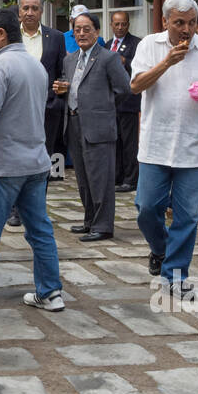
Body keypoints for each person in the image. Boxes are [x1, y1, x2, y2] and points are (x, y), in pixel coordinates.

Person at [0, 8, 64, 325]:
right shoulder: (35, 66)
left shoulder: (0, 65)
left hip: (3, 163)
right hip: (35, 161)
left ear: (1, 34)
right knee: (40, 231)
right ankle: (50, 293)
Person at [131, 0, 198, 287]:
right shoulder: (150, 45)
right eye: (179, 23)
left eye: (191, 23)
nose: (186, 29)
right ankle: (161, 249)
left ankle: (175, 276)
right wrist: (166, 63)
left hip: (193, 144)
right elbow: (136, 85)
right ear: (165, 22)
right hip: (156, 143)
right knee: (146, 208)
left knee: (187, 217)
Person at [54, 12, 128, 242]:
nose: (82, 33)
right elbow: (72, 86)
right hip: (74, 122)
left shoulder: (108, 58)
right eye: (77, 29)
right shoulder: (70, 58)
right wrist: (62, 90)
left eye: (87, 29)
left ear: (96, 31)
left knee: (101, 178)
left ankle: (104, 226)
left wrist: (103, 108)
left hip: (99, 125)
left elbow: (124, 89)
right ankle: (90, 221)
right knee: (84, 177)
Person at [17, 0, 67, 181]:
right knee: (18, 159)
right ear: (20, 11)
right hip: (16, 108)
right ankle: (15, 209)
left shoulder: (55, 37)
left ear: (41, 12)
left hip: (47, 108)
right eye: (26, 8)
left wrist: (58, 100)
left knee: (44, 159)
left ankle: (37, 202)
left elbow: (62, 70)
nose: (30, 12)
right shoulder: (10, 35)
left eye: (34, 8)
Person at [106, 9, 141, 192]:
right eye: (116, 24)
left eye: (123, 24)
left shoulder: (136, 43)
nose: (120, 27)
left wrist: (124, 61)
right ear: (111, 24)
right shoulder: (107, 44)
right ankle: (117, 177)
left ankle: (131, 179)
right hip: (111, 101)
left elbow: (139, 67)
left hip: (128, 101)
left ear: (128, 24)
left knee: (129, 142)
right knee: (115, 141)